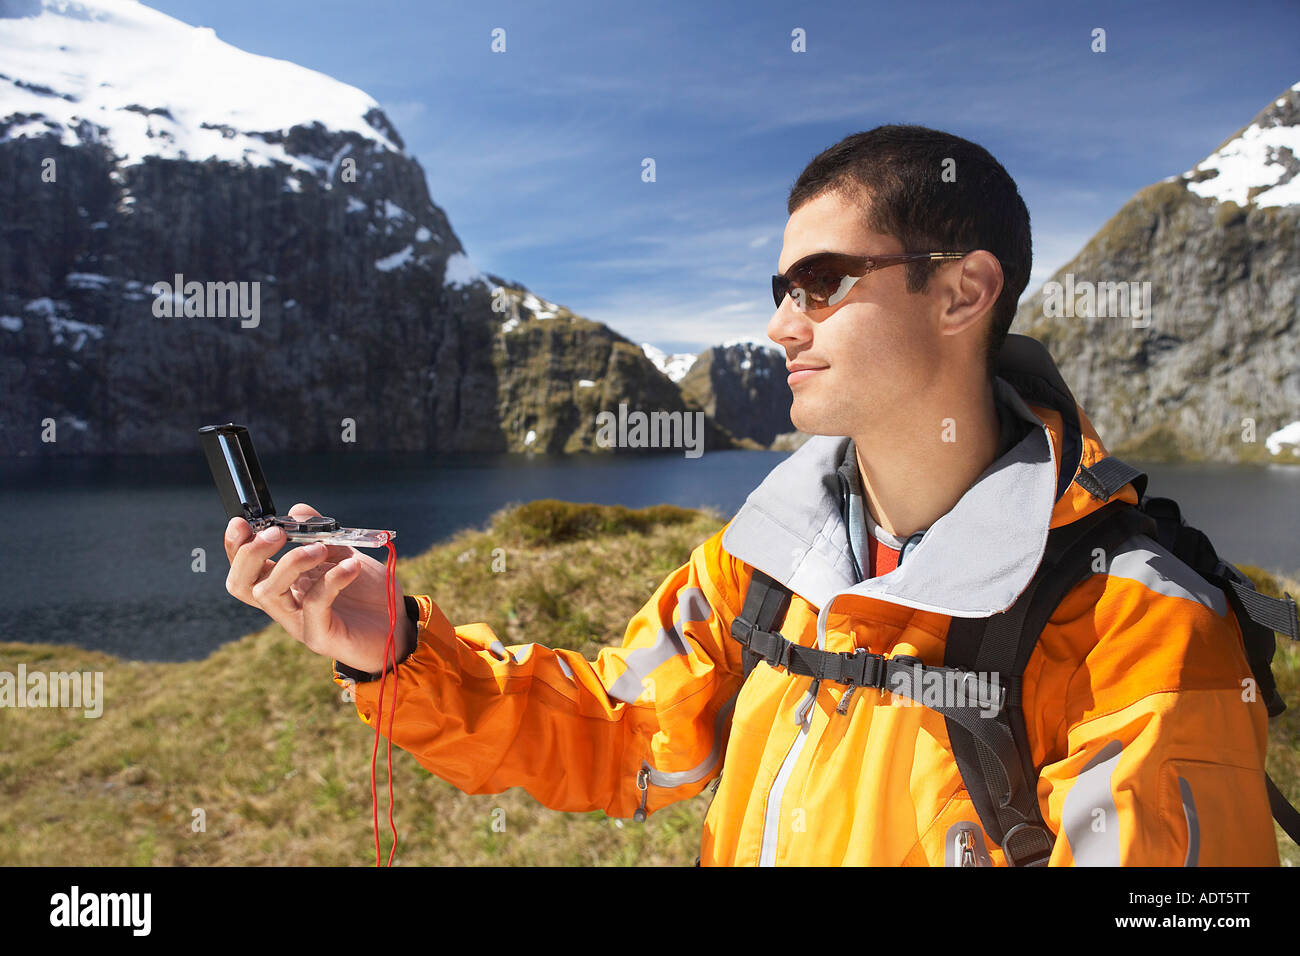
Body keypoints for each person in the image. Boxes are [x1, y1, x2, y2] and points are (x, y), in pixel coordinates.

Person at [221, 125, 1280, 866]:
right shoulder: (763, 559)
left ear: (962, 290)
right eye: (780, 290)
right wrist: (397, 644)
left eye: (822, 283)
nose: (782, 324)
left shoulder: (1139, 622)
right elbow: (616, 732)